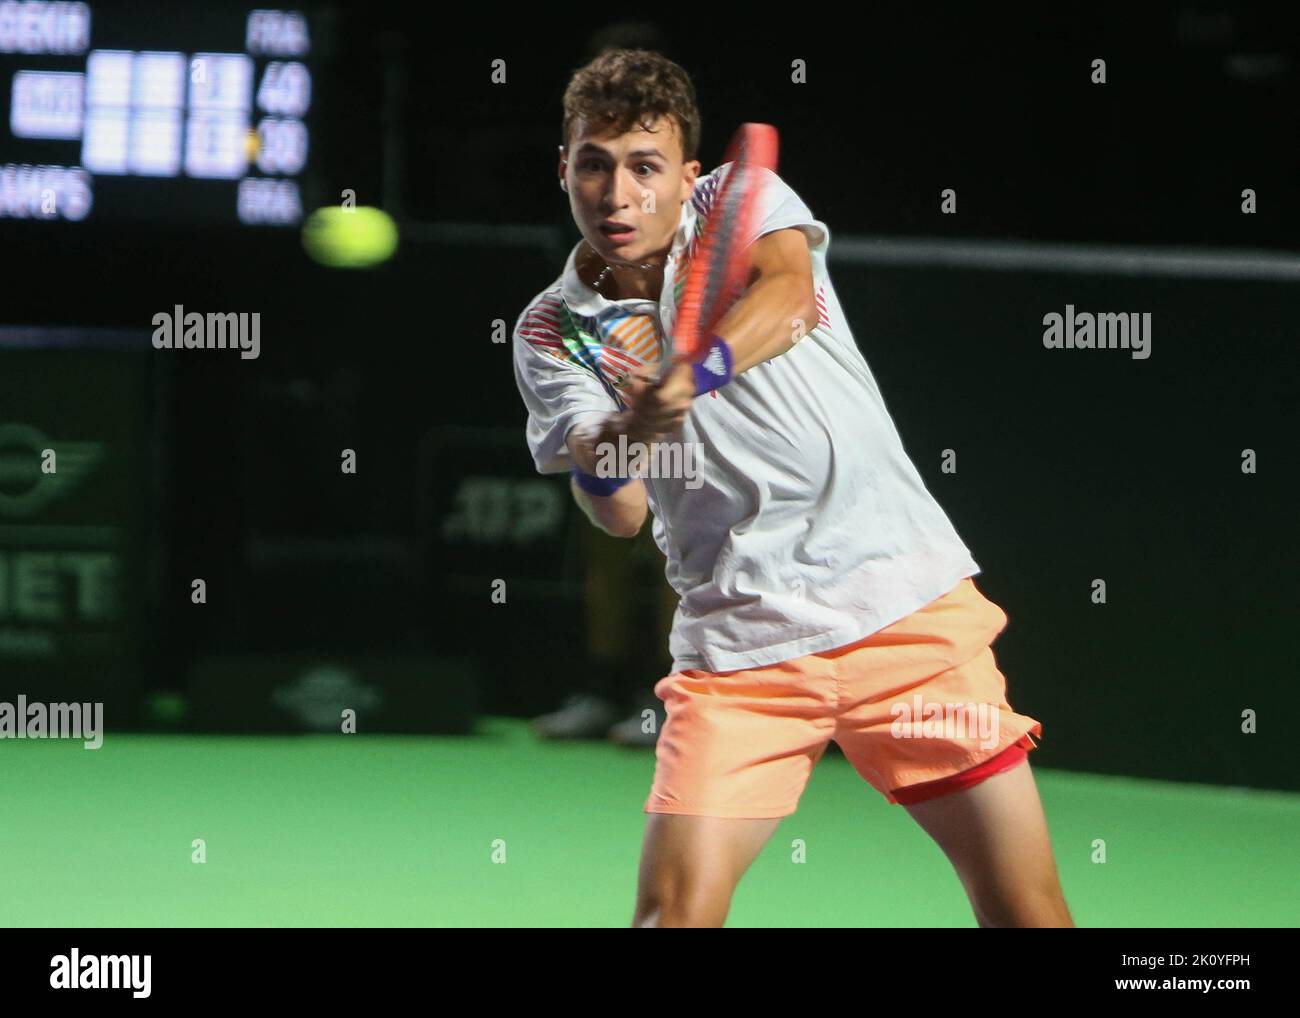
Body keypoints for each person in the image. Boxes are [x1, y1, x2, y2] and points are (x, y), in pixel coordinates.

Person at [511, 47, 1073, 928]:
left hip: (905, 610)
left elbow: (787, 296)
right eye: (594, 164)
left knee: (1028, 914)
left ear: (687, 173)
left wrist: (689, 374)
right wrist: (628, 431)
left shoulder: (739, 200)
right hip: (739, 650)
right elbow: (613, 509)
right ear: (564, 167)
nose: (617, 194)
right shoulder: (552, 330)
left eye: (644, 167)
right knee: (671, 919)